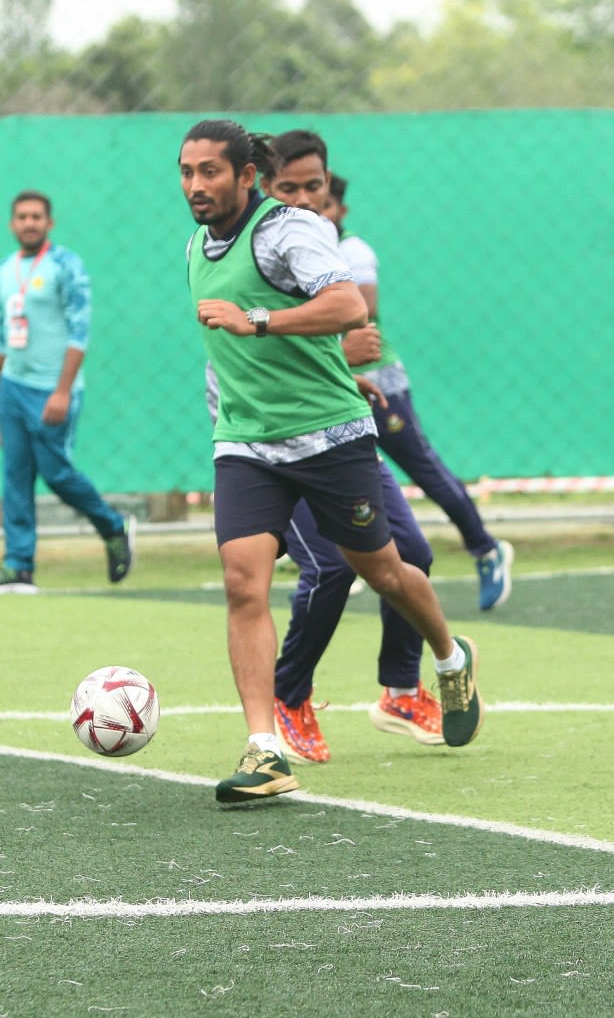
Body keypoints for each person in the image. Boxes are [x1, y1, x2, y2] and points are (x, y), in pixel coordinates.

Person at [179, 119, 483, 805]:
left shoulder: (288, 229)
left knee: (381, 570)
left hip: (326, 438)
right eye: (187, 172)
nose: (197, 185)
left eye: (211, 172)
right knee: (242, 582)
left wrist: (256, 319)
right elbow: (232, 351)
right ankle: (265, 748)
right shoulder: (197, 245)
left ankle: (450, 657)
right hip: (247, 442)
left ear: (245, 176)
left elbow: (345, 305)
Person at [258, 130, 444, 763]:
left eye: (316, 187)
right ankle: (288, 696)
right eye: (290, 189)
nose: (308, 200)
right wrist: (343, 352)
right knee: (331, 567)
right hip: (275, 445)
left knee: (413, 553)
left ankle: (398, 690)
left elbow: (317, 350)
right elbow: (256, 354)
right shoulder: (263, 253)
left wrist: (348, 373)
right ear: (265, 190)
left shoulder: (328, 249)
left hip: (340, 433)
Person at [316, 164, 513, 612]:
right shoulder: (296, 252)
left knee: (422, 469)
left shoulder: (353, 251)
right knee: (327, 474)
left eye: (323, 201)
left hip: (377, 382)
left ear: (340, 209)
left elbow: (359, 312)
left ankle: (485, 549)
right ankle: (340, 562)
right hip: (328, 384)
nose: (313, 208)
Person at [0, 190, 134, 594]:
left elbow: (80, 331)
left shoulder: (66, 265)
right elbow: (1, 335)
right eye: (22, 217)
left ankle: (112, 526)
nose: (29, 223)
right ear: (12, 223)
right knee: (15, 475)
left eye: (37, 217)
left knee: (57, 475)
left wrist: (62, 391)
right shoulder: (5, 270)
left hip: (52, 390)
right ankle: (19, 567)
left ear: (50, 223)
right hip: (12, 387)